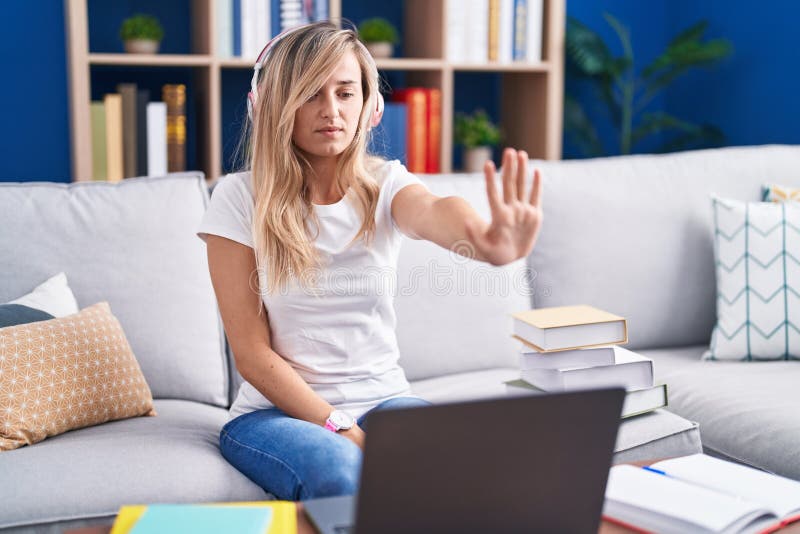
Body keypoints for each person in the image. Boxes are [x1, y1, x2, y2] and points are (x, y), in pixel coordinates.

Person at [197, 21, 543, 501]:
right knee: (342, 476)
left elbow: (436, 211)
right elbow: (253, 356)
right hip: (274, 415)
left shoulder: (386, 185)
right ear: (273, 105)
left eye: (345, 93)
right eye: (311, 94)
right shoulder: (238, 198)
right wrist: (341, 428)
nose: (331, 111)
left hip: (385, 399)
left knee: (467, 463)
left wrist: (488, 242)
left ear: (370, 106)